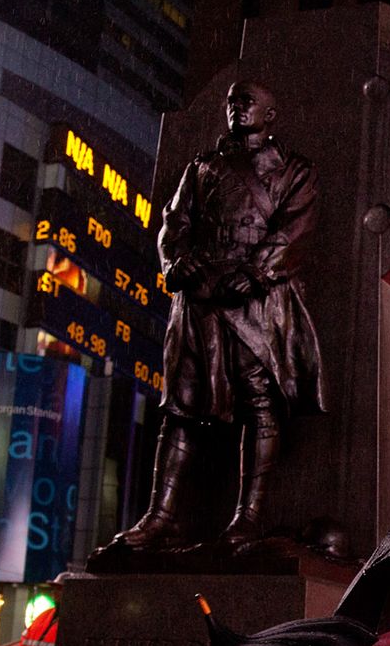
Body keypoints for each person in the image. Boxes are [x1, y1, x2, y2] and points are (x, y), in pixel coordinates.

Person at [99, 79, 323, 558]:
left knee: (258, 402)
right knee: (180, 407)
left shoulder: (295, 170)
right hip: (199, 301)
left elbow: (294, 230)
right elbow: (173, 225)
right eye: (231, 103)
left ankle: (249, 518)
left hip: (256, 304)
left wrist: (258, 271)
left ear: (270, 114)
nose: (237, 110)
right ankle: (160, 517)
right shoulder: (202, 166)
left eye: (247, 103)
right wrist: (177, 262)